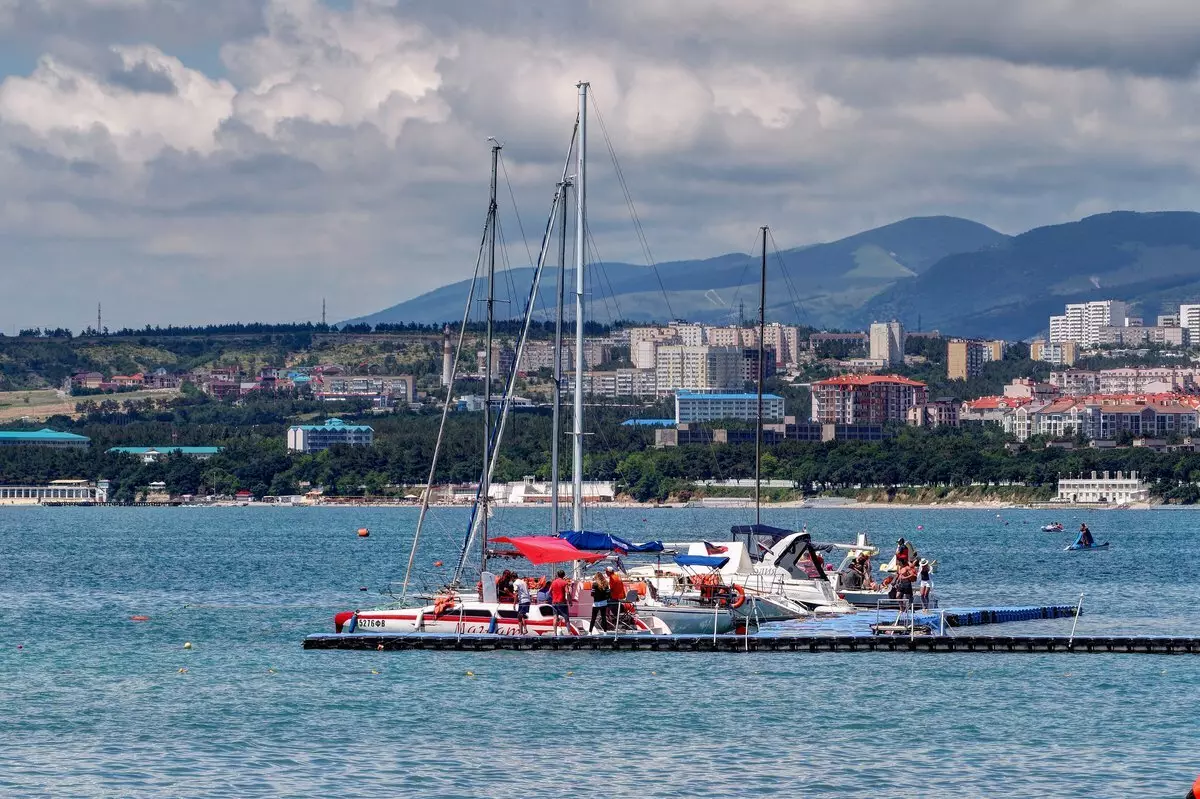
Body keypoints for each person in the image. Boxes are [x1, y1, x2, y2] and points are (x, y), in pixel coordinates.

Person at [549, 569, 571, 635]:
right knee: (566, 617)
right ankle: (569, 632)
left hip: (554, 602)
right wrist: (570, 601)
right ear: (563, 575)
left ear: (557, 575)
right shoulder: (564, 583)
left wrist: (553, 597)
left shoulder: (553, 582)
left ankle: (555, 633)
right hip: (562, 602)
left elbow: (549, 591)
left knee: (555, 617)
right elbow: (567, 592)